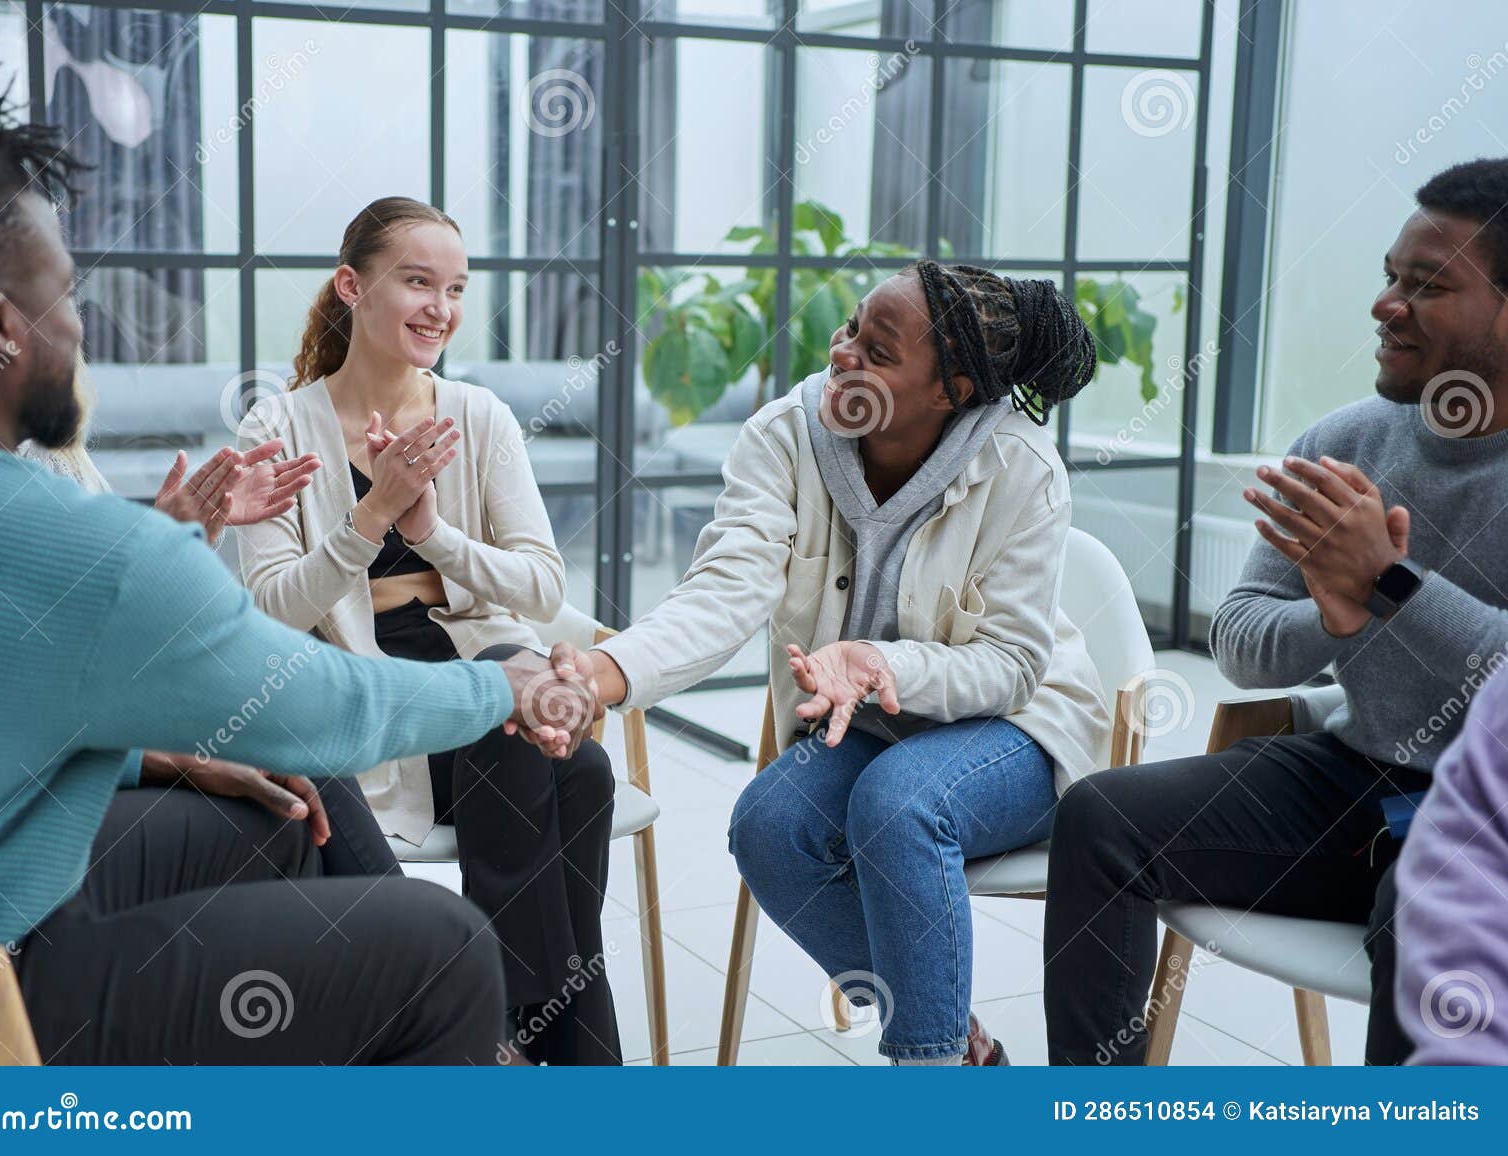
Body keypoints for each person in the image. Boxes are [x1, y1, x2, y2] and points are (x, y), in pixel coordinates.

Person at [0, 85, 591, 1066]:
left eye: (455, 288)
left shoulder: (473, 416)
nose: (82, 331)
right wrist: (505, 685)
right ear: (3, 326)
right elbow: (312, 704)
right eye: (67, 298)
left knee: (273, 811)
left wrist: (160, 755)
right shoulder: (101, 532)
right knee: (441, 948)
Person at [568, 260, 1109, 1065]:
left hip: (1017, 726)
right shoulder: (785, 436)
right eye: (852, 326)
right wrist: (604, 672)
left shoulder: (1022, 468)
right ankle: (958, 1048)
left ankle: (927, 1078)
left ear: (951, 390)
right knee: (772, 827)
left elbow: (1012, 664)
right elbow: (725, 590)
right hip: (872, 729)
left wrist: (878, 661)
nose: (842, 352)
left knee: (897, 804)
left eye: (878, 351)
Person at [1043, 157, 1508, 1066]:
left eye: (1428, 285)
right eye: (1389, 276)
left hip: (1489, 812)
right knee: (1100, 819)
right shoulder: (1344, 444)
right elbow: (1239, 640)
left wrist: (1390, 584)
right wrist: (1331, 619)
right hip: (1354, 775)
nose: (1386, 305)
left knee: (1421, 916)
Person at [233, 196, 619, 1064]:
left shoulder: (478, 416)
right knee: (576, 768)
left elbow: (542, 582)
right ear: (351, 287)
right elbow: (272, 611)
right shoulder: (278, 426)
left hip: (476, 657)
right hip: (357, 685)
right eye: (418, 282)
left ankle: (491, 1032)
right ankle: (562, 1055)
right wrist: (370, 516)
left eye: (456, 289)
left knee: (527, 725)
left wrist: (434, 533)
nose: (440, 308)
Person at [19, 359, 400, 880]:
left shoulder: (55, 456)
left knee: (288, 760)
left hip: (106, 731)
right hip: (47, 784)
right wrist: (170, 758)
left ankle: (390, 921)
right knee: (285, 793)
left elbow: (110, 628)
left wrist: (170, 541)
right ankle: (402, 922)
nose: (72, 336)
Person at [1396, 665, 1508, 1065]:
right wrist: (1328, 633)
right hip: (1353, 758)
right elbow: (1246, 656)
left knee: (1392, 909)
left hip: (1431, 777)